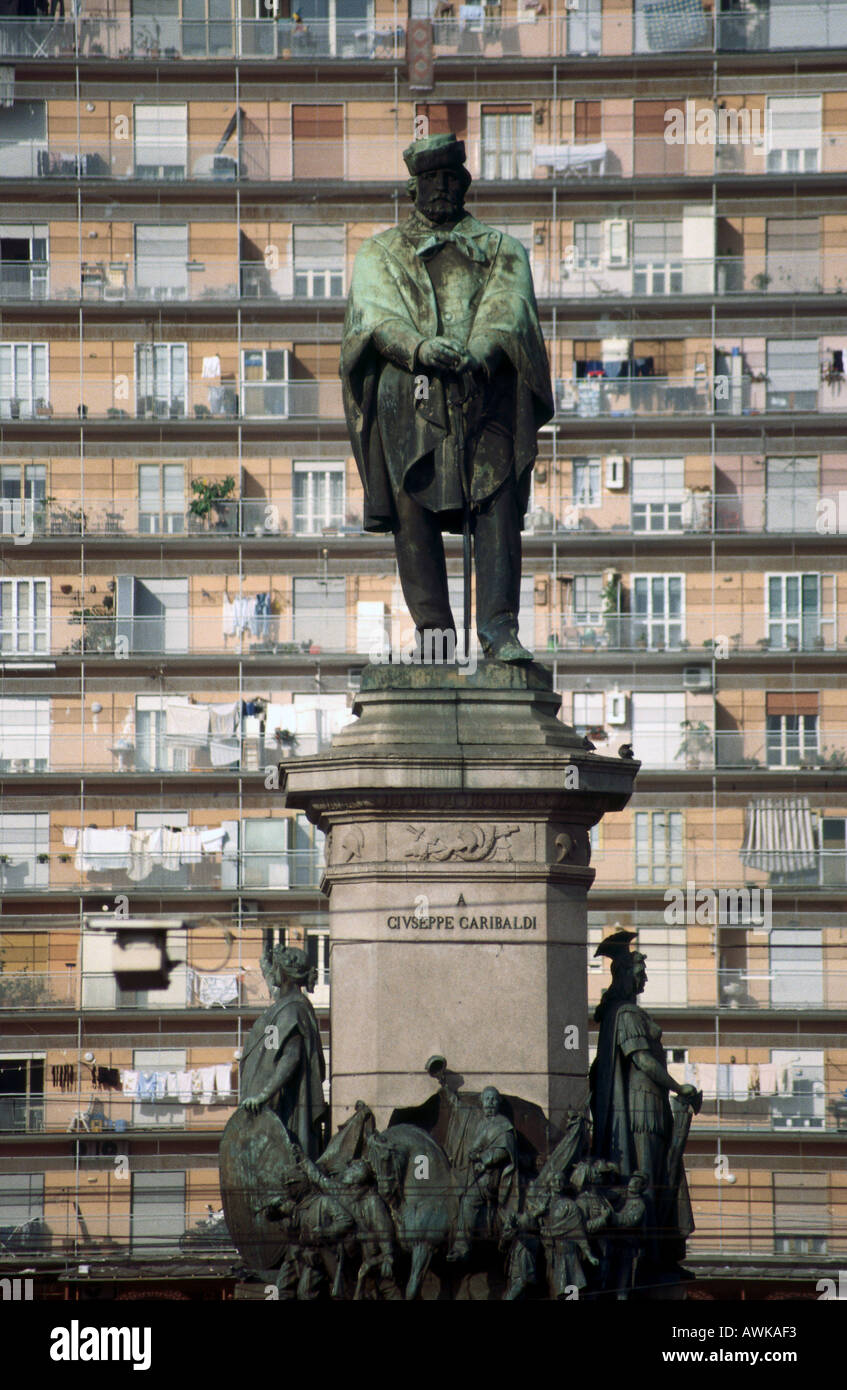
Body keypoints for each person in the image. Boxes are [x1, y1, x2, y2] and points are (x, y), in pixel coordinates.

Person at [340, 131, 554, 662]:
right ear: (412, 189)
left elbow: (511, 308)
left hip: (485, 394)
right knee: (413, 502)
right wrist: (419, 349)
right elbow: (373, 317)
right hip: (411, 399)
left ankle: (500, 630)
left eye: (449, 178)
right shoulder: (380, 251)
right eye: (429, 179)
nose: (440, 188)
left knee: (496, 501)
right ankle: (434, 637)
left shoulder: (502, 249)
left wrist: (479, 353)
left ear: (464, 185)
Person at [590, 930, 700, 1270]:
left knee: (655, 1173)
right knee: (648, 1175)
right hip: (641, 1109)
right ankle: (650, 1255)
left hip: (648, 1105)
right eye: (640, 972)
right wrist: (678, 1087)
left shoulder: (621, 1012)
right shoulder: (625, 1014)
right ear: (625, 974)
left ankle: (655, 1250)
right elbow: (642, 1059)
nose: (646, 978)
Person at [239, 944, 328, 1160]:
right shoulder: (284, 1006)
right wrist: (266, 967)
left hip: (285, 1110)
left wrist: (263, 1096)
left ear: (284, 973)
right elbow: (272, 1050)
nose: (272, 974)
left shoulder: (293, 1010)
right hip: (272, 1107)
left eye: (275, 968)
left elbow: (291, 1057)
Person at [443, 1084, 518, 1260]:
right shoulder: (480, 1123)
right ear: (482, 1102)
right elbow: (458, 1106)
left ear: (498, 1102)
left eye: (493, 1099)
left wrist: (484, 1161)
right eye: (487, 1099)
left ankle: (462, 1247)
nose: (490, 1103)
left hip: (490, 1177)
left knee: (469, 1201)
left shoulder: (503, 1125)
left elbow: (505, 1151)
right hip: (474, 1172)